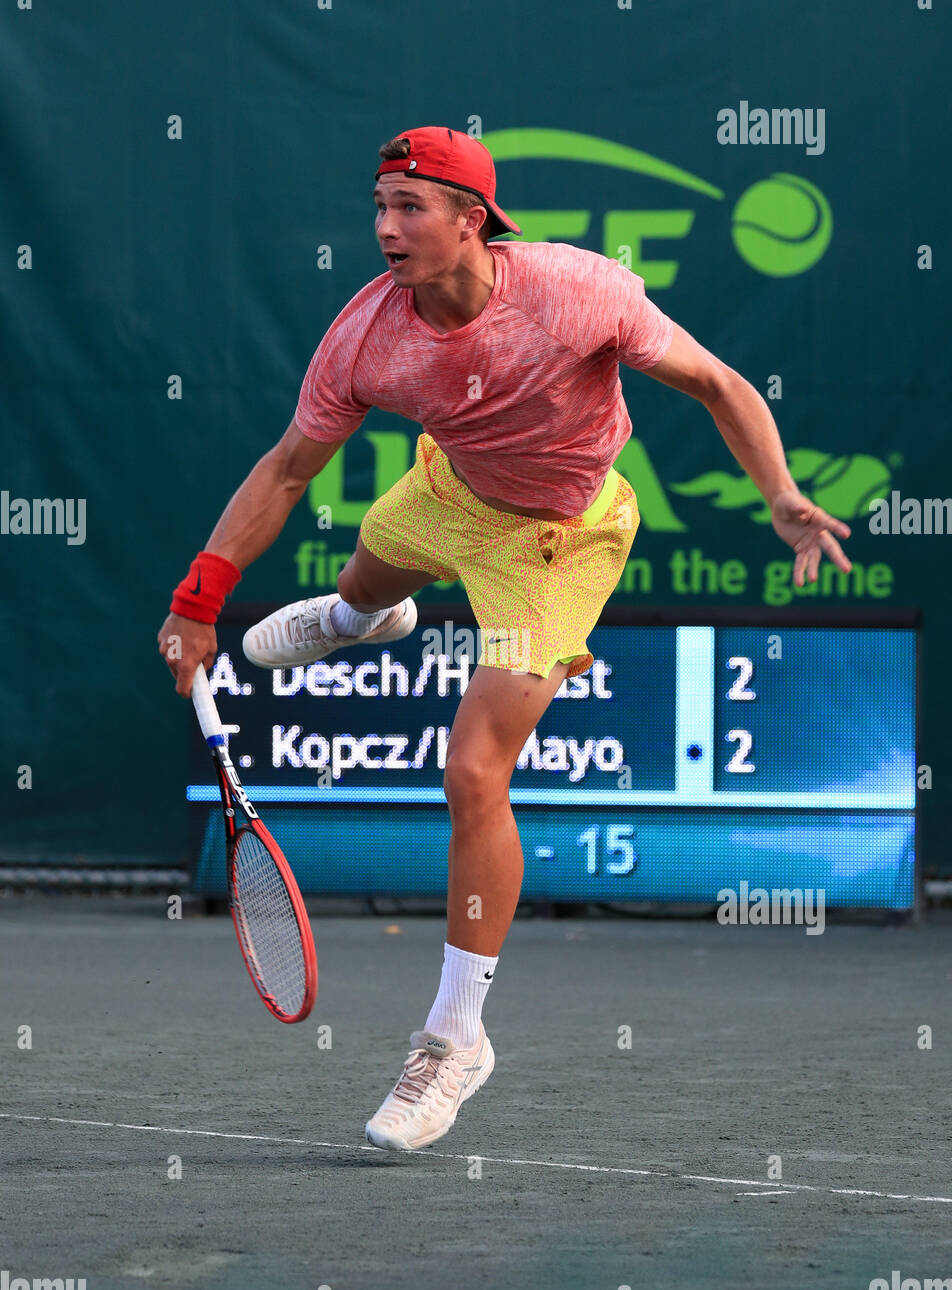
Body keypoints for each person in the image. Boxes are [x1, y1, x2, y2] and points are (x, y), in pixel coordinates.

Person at [158, 125, 852, 1152]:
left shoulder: (578, 291)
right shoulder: (364, 337)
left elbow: (715, 383)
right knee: (366, 572)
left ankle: (453, 1036)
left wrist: (782, 494)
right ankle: (363, 619)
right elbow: (287, 469)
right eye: (379, 208)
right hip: (449, 489)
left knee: (473, 774)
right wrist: (198, 598)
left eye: (410, 209)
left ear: (470, 220)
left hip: (558, 543)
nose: (386, 230)